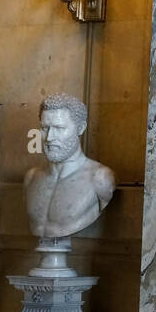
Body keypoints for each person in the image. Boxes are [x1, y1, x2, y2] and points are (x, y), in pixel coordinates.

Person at [25, 93, 116, 239]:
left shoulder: (100, 178)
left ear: (80, 128)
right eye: (44, 128)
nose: (49, 137)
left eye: (59, 128)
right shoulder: (31, 177)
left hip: (78, 256)